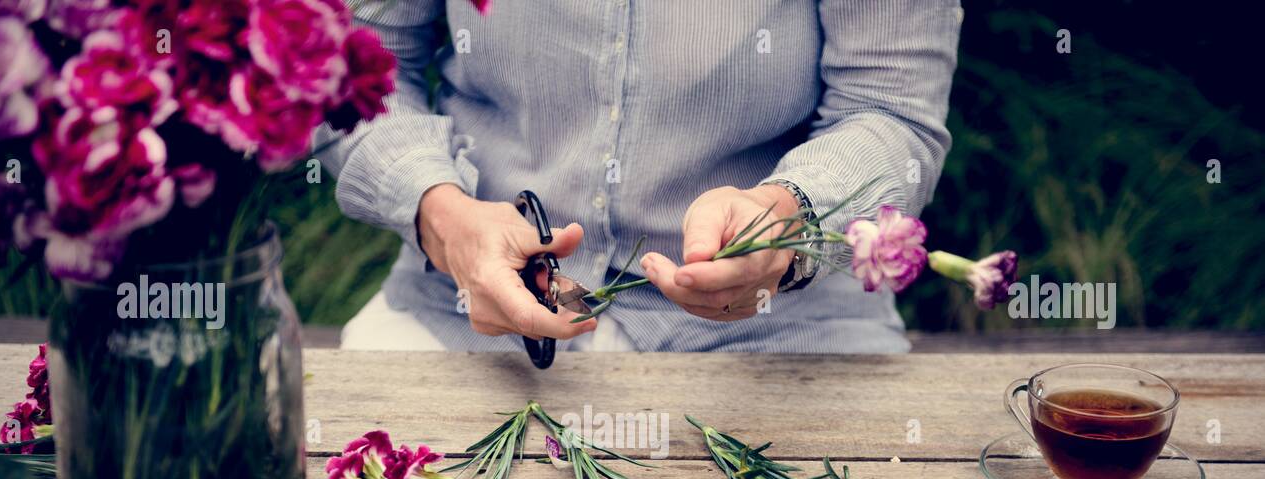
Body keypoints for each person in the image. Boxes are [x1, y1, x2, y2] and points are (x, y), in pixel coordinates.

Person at [320, 1, 962, 353]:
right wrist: (445, 220)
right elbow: (347, 70)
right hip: (460, 314)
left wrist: (790, 216)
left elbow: (892, 111)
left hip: (783, 329)